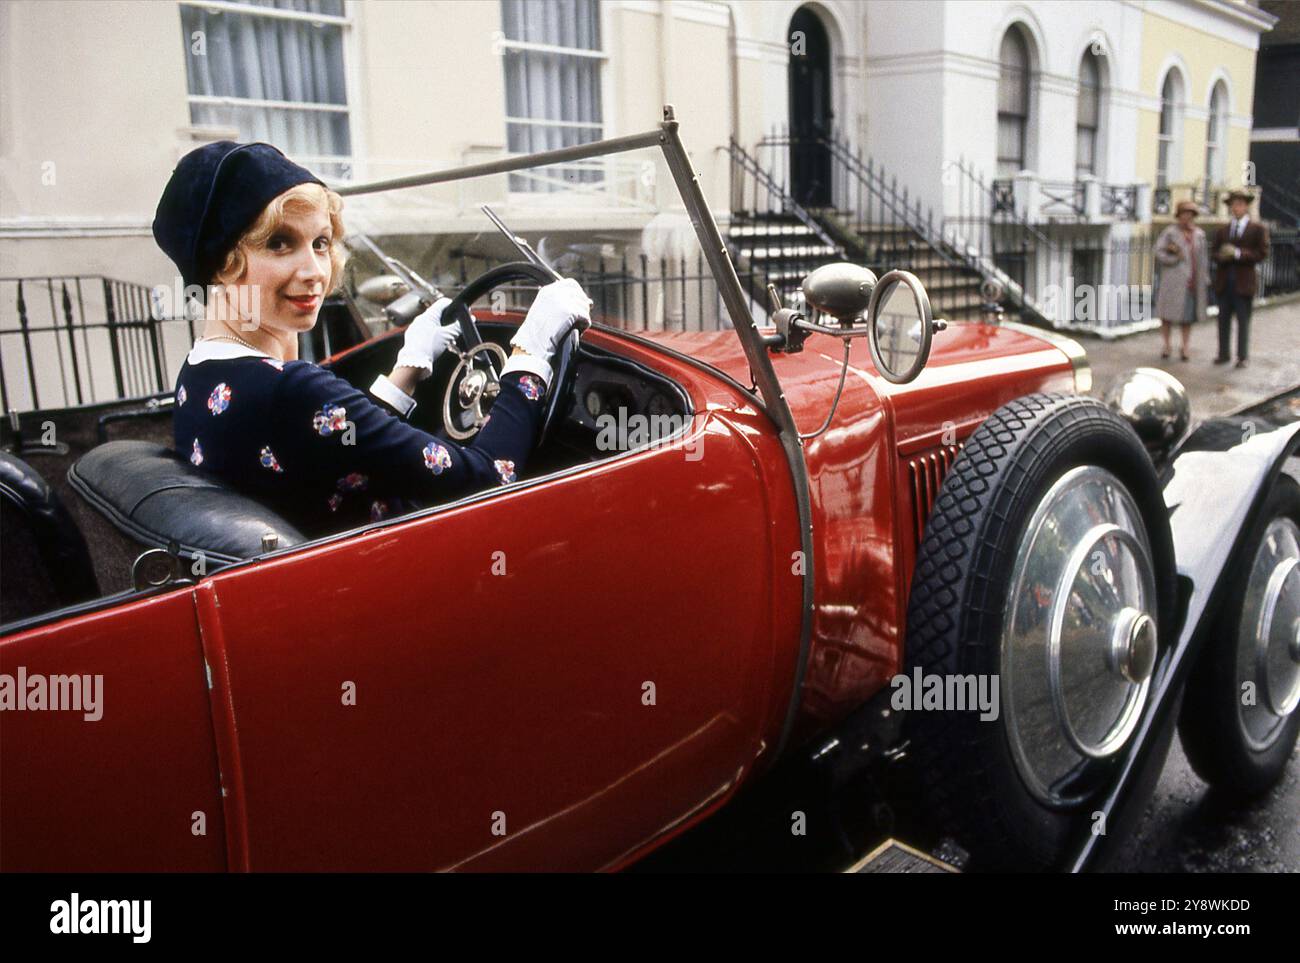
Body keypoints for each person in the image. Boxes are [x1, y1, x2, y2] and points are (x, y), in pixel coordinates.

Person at [152, 141, 591, 537]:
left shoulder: (201, 372)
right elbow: (491, 478)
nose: (314, 273)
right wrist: (530, 350)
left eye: (321, 243)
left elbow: (334, 446)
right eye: (280, 243)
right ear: (222, 264)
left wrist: (408, 369)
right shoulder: (289, 389)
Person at [1211, 189, 1270, 369]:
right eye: (1233, 205)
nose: (1236, 208)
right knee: (1223, 320)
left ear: (1246, 207)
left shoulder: (1257, 229)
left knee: (1243, 321)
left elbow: (1262, 253)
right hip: (1225, 281)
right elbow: (1214, 252)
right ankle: (1223, 353)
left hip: (1244, 283)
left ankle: (1242, 356)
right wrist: (1222, 256)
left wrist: (1237, 253)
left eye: (1240, 205)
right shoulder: (1223, 230)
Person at [1153, 200, 1210, 361]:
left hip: (1191, 281)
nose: (1187, 218)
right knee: (1167, 315)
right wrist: (1173, 258)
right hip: (1173, 280)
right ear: (1179, 216)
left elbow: (1203, 258)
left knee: (1187, 316)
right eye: (1184, 214)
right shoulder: (1170, 232)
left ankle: (1185, 346)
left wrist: (1204, 277)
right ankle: (1167, 345)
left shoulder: (1199, 235)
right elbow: (1158, 251)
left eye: (1190, 215)